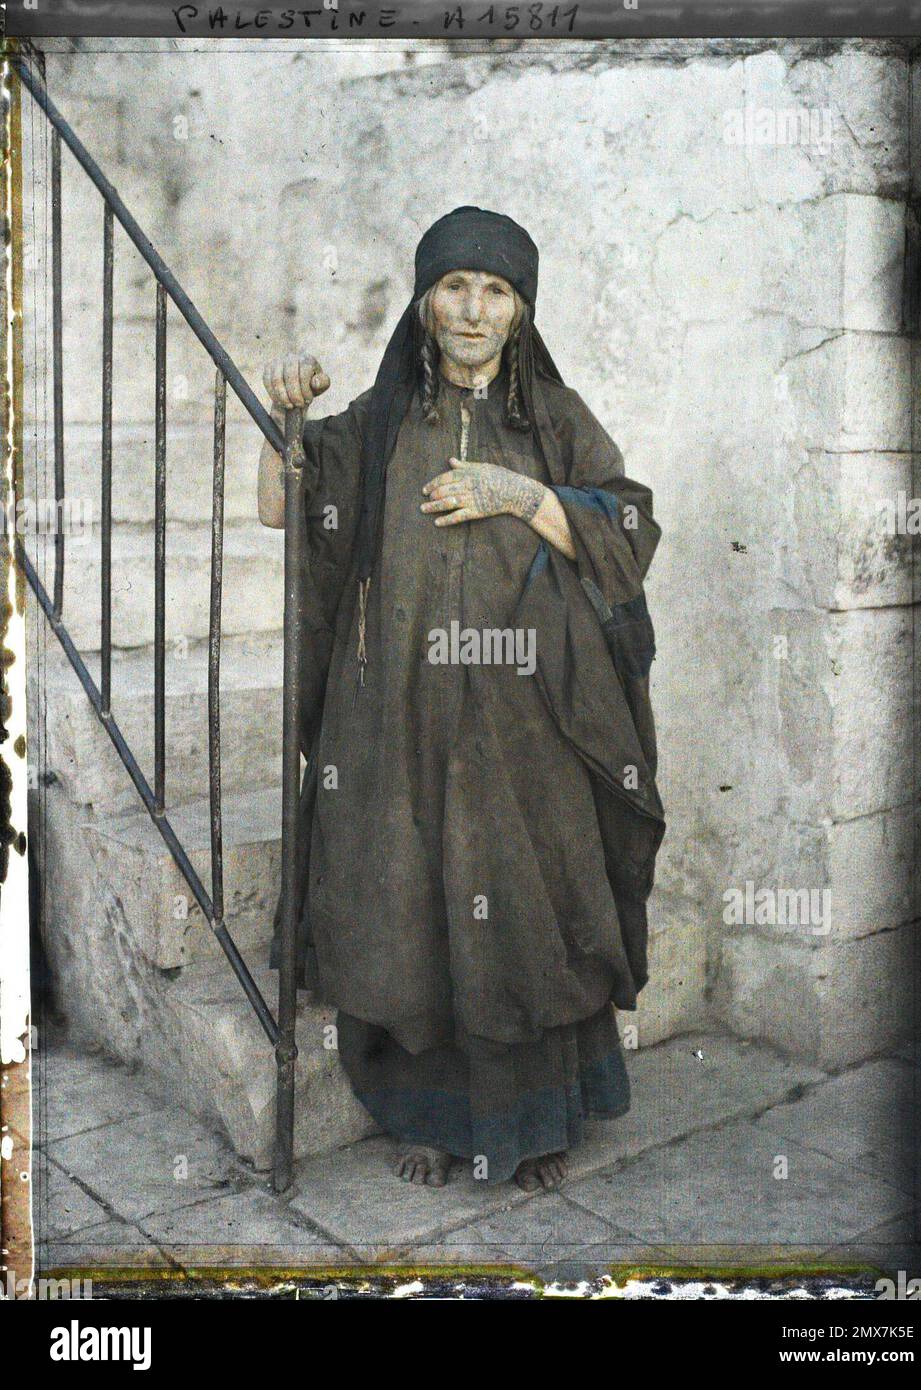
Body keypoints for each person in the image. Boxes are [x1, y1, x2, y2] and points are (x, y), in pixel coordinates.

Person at [258, 206, 664, 1191]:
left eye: (493, 290)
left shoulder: (556, 423)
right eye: (453, 286)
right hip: (401, 720)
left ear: (519, 309)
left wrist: (518, 493)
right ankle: (430, 1119)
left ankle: (540, 1122)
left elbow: (632, 524)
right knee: (412, 915)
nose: (471, 309)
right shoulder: (379, 421)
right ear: (424, 299)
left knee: (533, 916)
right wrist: (287, 423)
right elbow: (283, 507)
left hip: (535, 725)